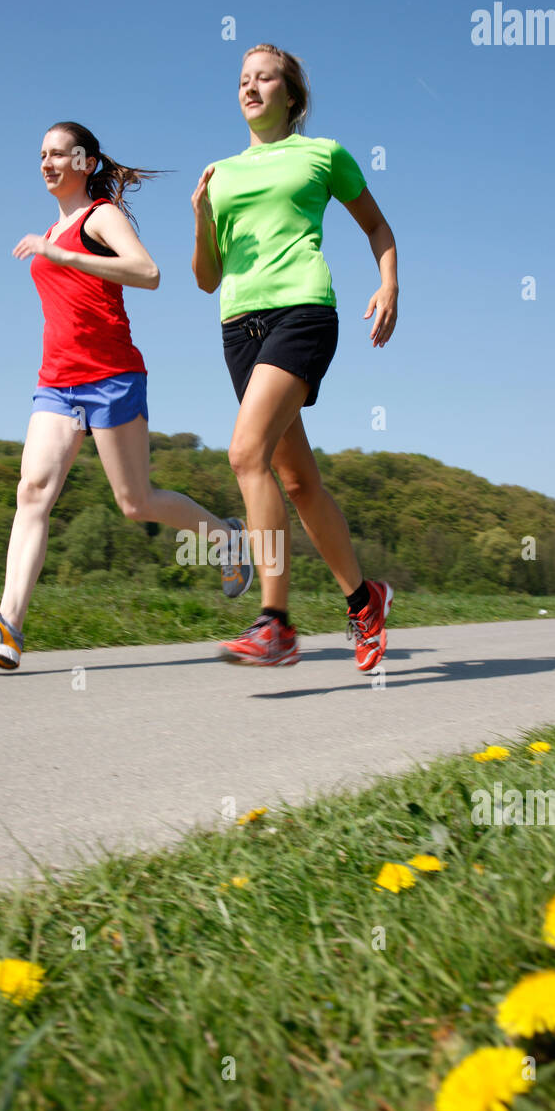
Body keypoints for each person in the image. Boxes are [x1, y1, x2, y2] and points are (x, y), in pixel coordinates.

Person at [0, 121, 251, 670]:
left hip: (112, 377)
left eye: (59, 153)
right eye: (41, 155)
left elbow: (148, 273)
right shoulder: (49, 230)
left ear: (85, 161)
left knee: (135, 503)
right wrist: (53, 252)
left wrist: (63, 256)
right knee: (32, 491)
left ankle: (228, 537)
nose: (47, 162)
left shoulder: (97, 217)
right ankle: (7, 627)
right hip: (57, 382)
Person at [191, 44, 399, 670]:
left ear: (291, 94)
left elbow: (377, 227)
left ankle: (274, 623)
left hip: (303, 312)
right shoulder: (220, 174)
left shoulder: (323, 154)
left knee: (244, 454)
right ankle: (365, 600)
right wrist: (200, 217)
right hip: (238, 326)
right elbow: (205, 277)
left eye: (265, 78)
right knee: (299, 481)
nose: (251, 87)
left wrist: (389, 283)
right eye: (243, 79)